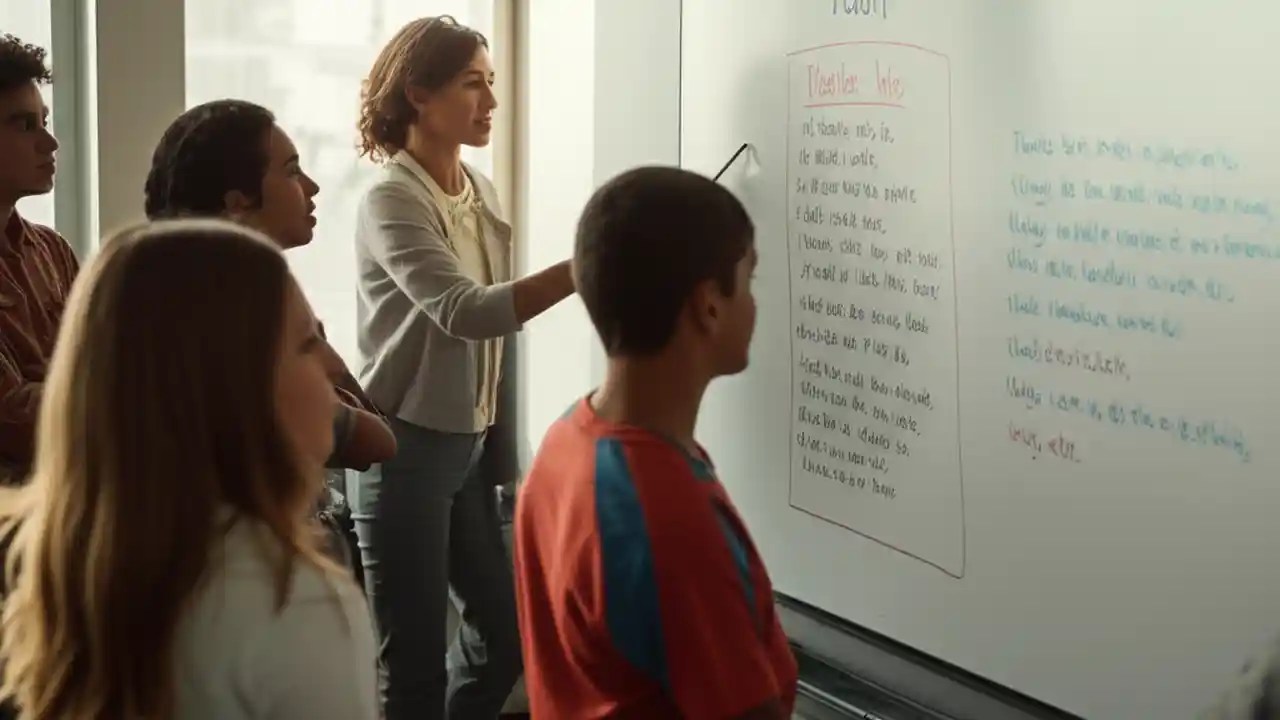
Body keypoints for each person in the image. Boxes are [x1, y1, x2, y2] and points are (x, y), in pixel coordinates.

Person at [0, 219, 377, 719]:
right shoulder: (294, 601)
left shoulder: (69, 577)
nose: (331, 365)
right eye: (309, 343)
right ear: (232, 389)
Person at [513, 166, 798, 719]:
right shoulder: (667, 516)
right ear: (708, 304)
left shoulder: (566, 440)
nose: (756, 305)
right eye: (751, 279)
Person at [353, 15, 575, 719]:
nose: (490, 102)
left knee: (504, 641)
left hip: (470, 450)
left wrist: (504, 453)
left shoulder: (478, 189)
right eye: (472, 84)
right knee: (412, 664)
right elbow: (466, 311)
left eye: (490, 82)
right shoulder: (392, 196)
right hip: (403, 450)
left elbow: (497, 339)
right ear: (418, 94)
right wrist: (584, 268)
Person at [143, 99, 396, 575]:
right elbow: (375, 439)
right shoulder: (246, 316)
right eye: (292, 170)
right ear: (238, 202)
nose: (313, 187)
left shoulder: (164, 297)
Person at [0, 34, 77, 484]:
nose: (50, 143)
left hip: (72, 497)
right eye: (25, 125)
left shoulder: (51, 251)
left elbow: (108, 363)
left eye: (44, 121)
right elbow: (14, 421)